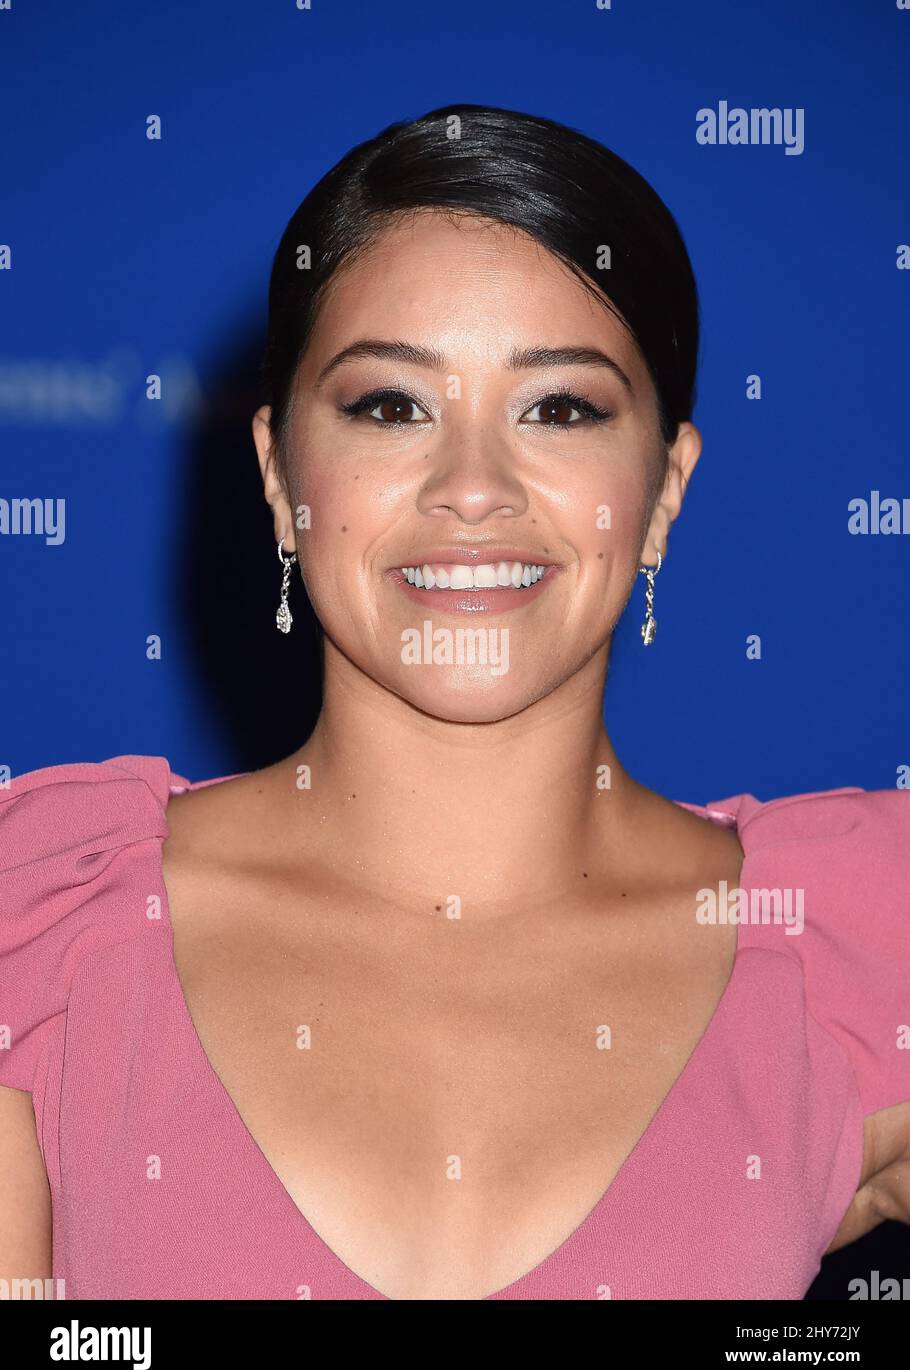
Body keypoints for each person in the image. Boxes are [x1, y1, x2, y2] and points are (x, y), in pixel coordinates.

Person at [1, 105, 908, 1302]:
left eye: (560, 408)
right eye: (390, 405)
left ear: (664, 489)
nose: (471, 487)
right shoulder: (48, 925)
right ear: (281, 479)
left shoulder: (851, 946)